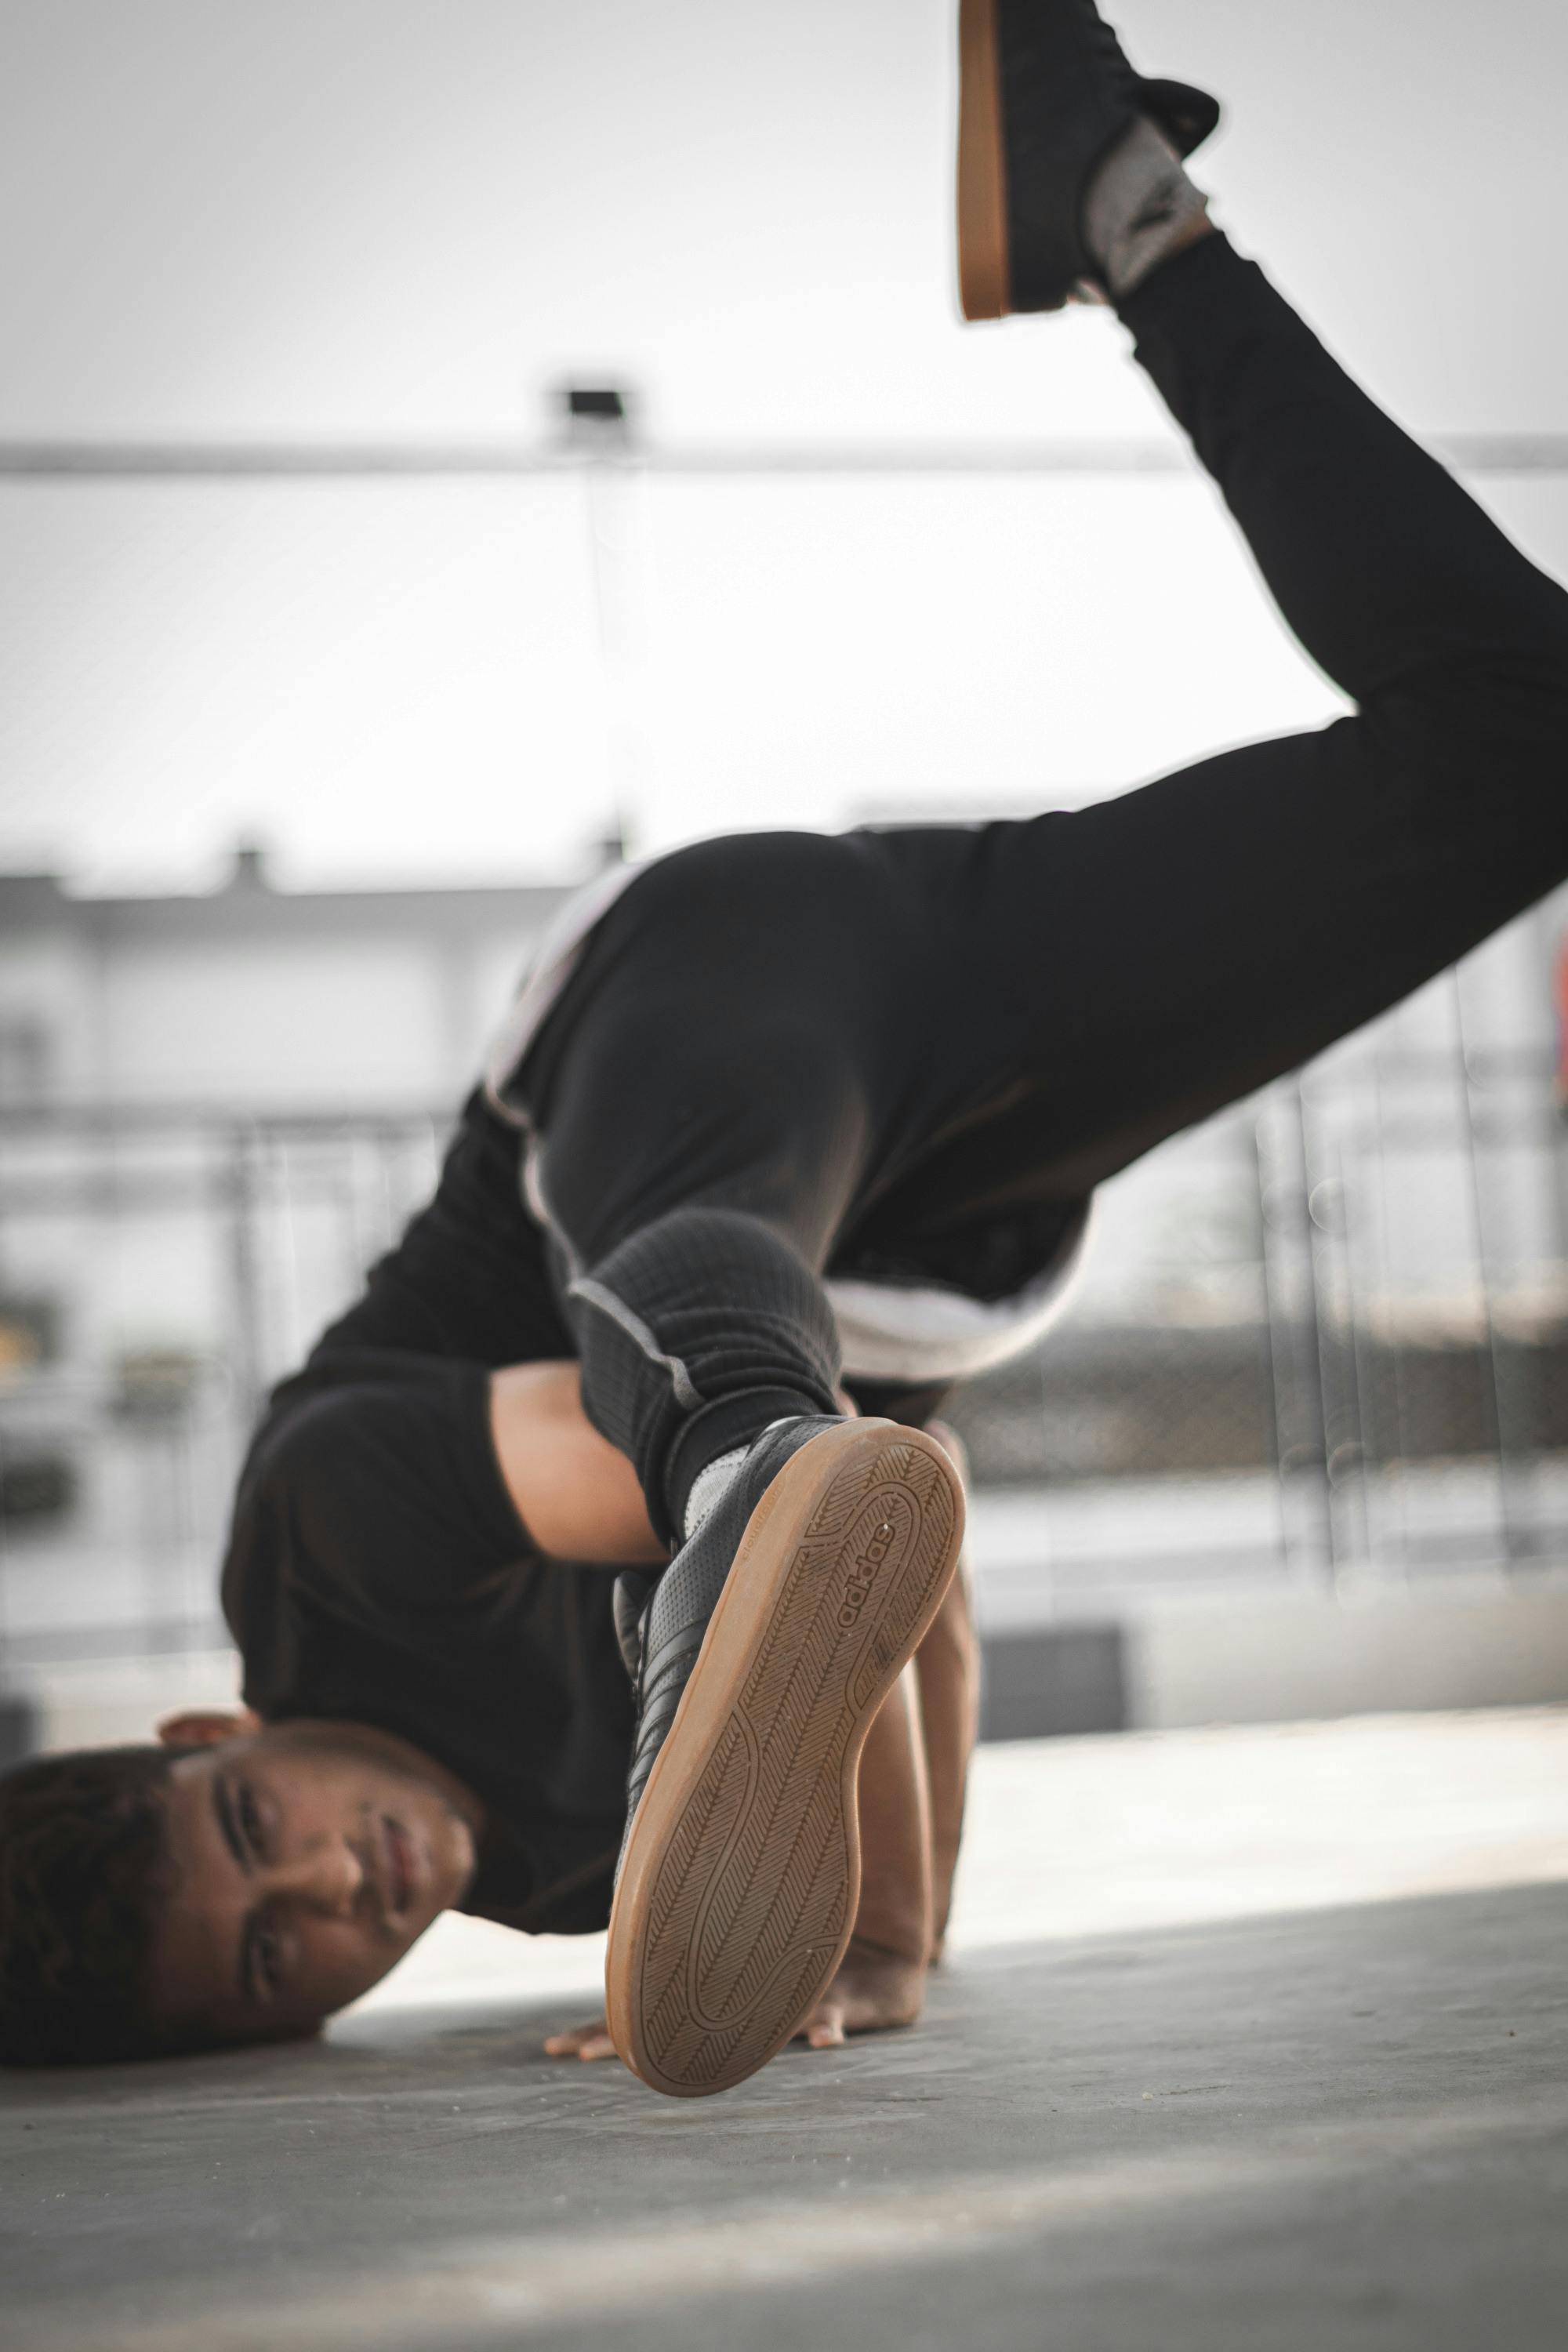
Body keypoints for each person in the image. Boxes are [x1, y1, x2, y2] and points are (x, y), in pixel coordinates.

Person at [3, 0, 1566, 2090]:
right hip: (943, 1193)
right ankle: (1115, 198)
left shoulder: (326, 1542)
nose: (336, 1893)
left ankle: (741, 1461)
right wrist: (885, 1940)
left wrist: (776, 1501)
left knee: (720, 1374)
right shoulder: (558, 1869)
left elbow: (700, 1459)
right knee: (1521, 747)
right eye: (284, 1965)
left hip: (705, 1026)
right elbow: (905, 1544)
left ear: (215, 1735)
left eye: (251, 1838)